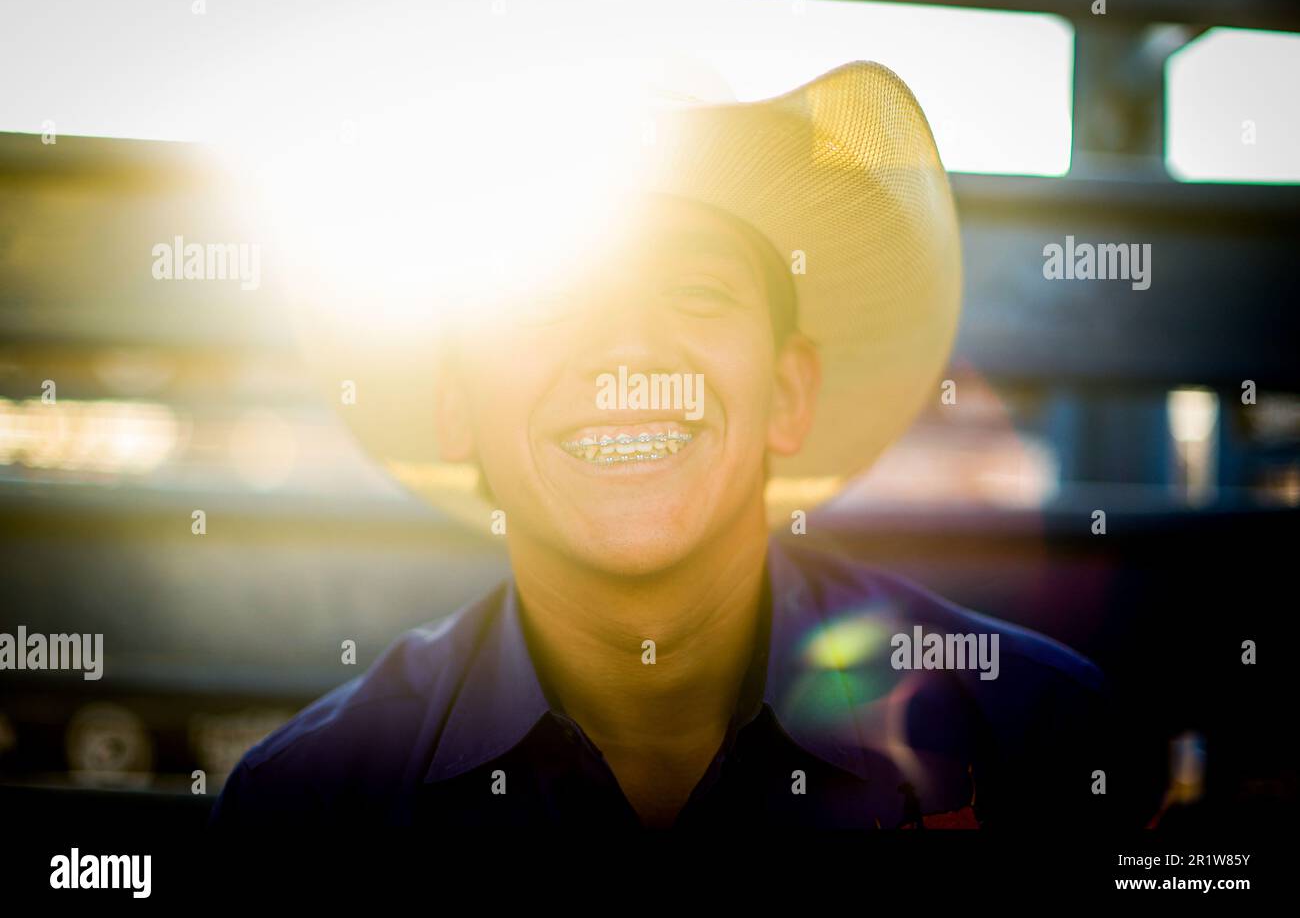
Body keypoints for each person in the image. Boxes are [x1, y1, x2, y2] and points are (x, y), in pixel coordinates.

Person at [211, 61, 1155, 830]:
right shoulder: (305, 814)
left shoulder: (1038, 737)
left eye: (697, 294)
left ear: (787, 393)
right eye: (546, 297)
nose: (628, 353)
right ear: (459, 405)